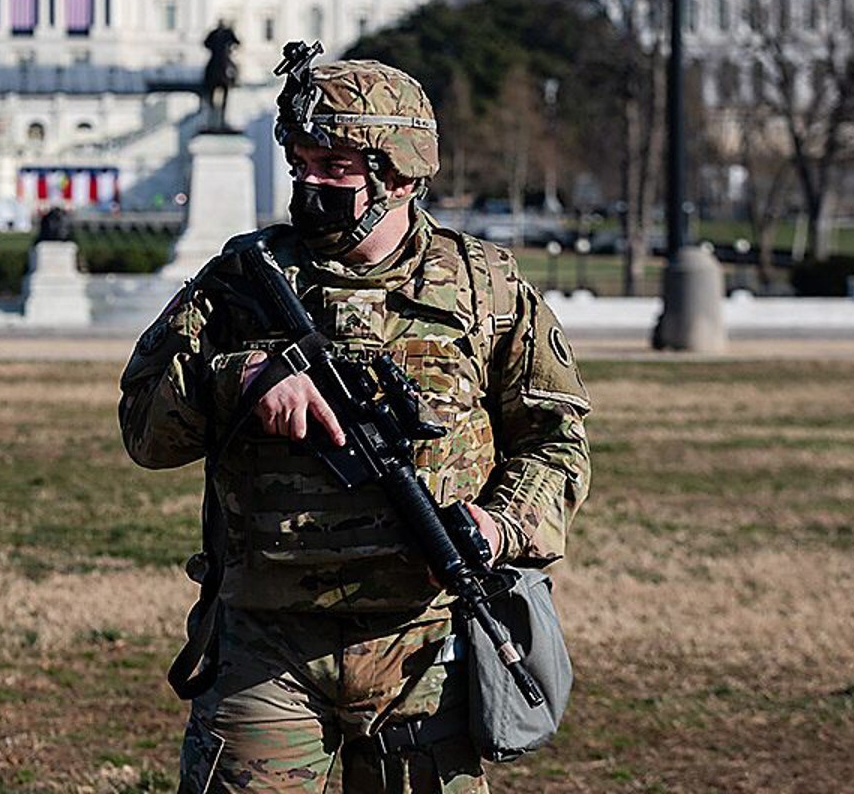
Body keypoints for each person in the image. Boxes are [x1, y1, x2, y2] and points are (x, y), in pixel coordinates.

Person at [118, 56, 592, 792]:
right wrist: (235, 379)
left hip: (423, 648)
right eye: (301, 162)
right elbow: (145, 432)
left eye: (335, 166)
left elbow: (555, 440)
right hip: (267, 641)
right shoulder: (241, 284)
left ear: (401, 175)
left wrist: (499, 526)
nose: (311, 183)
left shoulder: (486, 288)